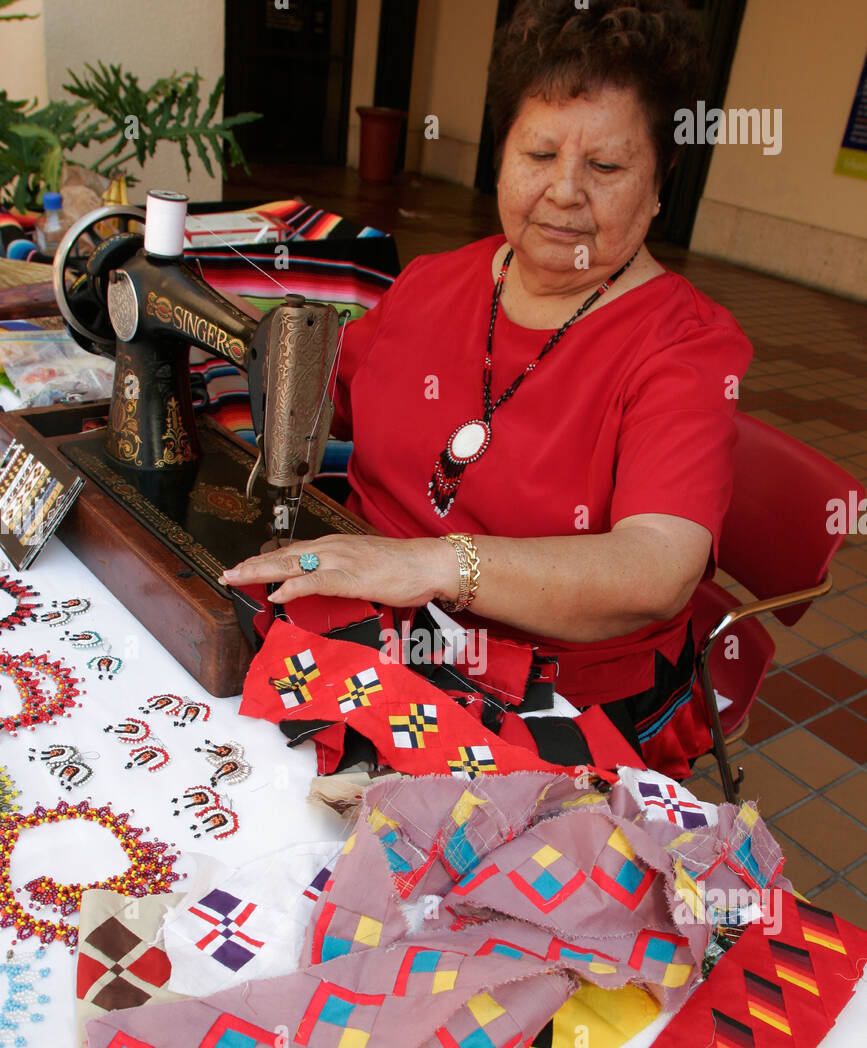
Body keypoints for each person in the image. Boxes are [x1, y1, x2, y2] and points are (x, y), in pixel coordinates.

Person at [222, 0, 753, 775]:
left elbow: (656, 567)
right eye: (538, 154)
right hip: (365, 626)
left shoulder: (684, 345)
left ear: (659, 181)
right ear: (500, 155)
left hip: (550, 697)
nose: (565, 192)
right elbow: (322, 390)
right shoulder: (435, 282)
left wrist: (433, 565)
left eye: (604, 167)